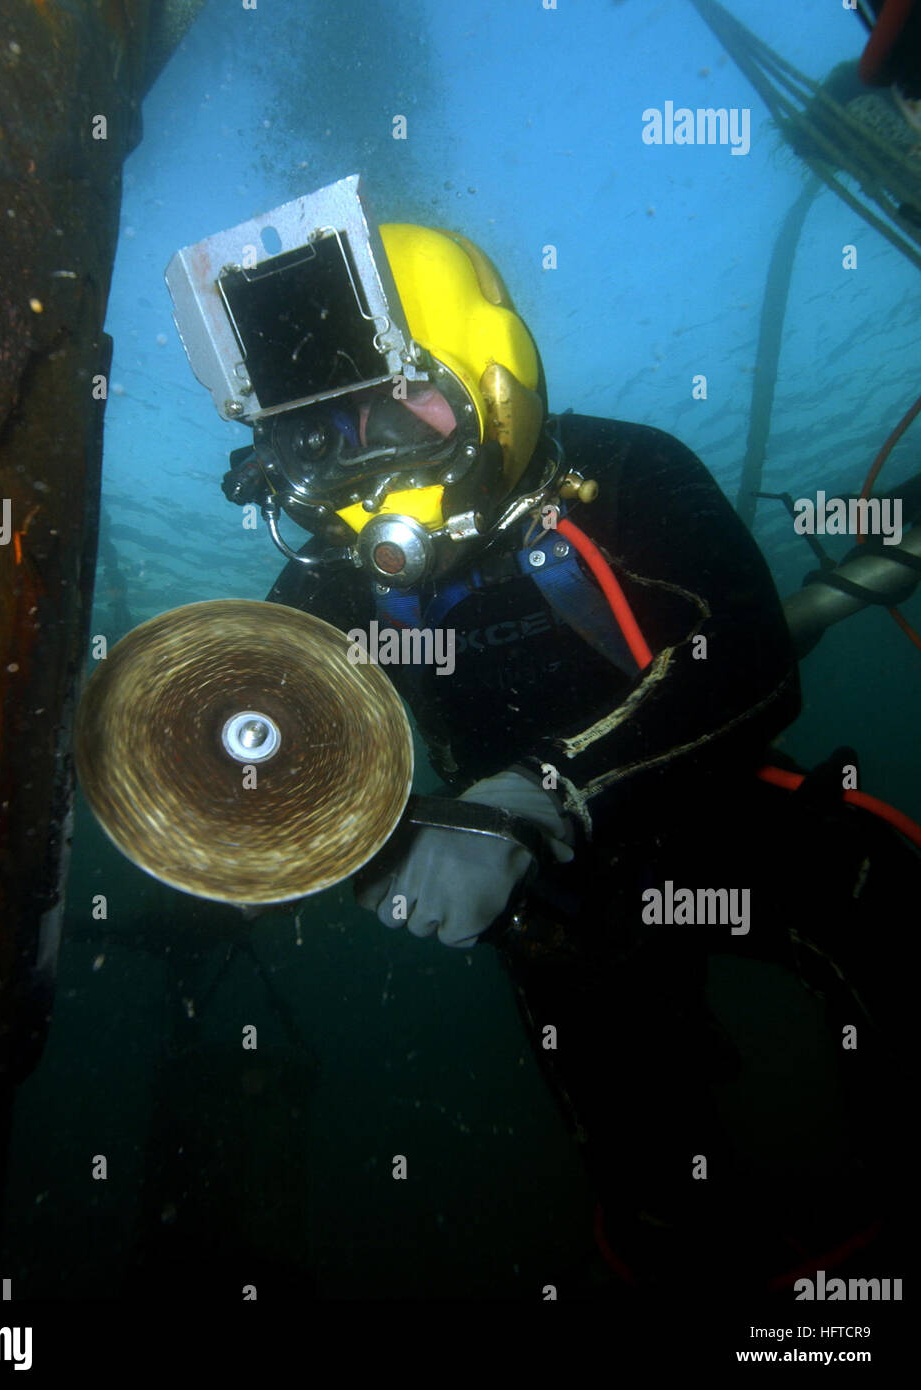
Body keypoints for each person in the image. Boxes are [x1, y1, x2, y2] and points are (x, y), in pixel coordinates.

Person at [168, 180, 912, 1292]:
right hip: (555, 915)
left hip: (718, 816)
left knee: (892, 913)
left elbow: (747, 657)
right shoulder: (326, 582)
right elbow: (268, 755)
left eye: (389, 411)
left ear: (486, 372)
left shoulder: (621, 474)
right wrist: (360, 844)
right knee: (652, 1204)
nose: (364, 474)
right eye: (316, 444)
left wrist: (548, 790)